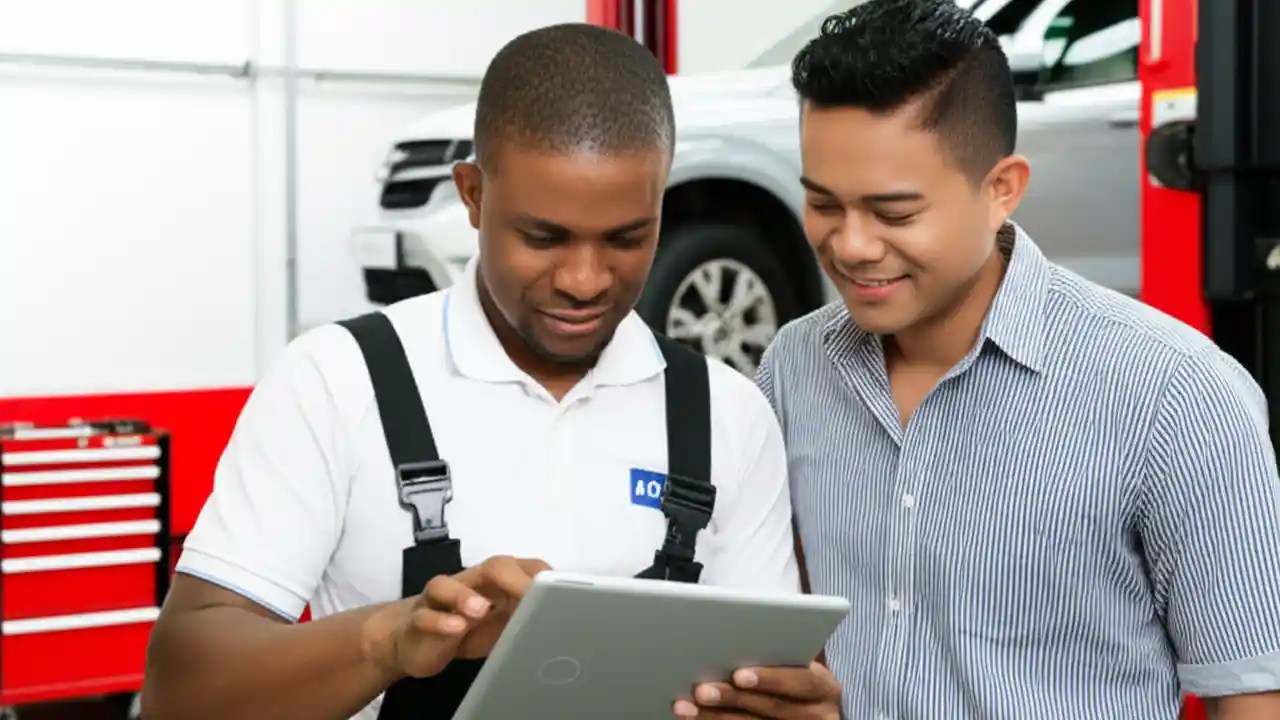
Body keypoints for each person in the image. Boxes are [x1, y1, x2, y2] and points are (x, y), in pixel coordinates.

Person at [141, 22, 842, 720]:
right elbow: (182, 692)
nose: (584, 280)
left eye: (626, 238)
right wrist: (391, 639)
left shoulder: (727, 413)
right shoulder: (336, 381)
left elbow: (766, 680)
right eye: (543, 237)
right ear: (472, 195)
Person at [753, 1, 1280, 718]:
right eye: (824, 204)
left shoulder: (1175, 396)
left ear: (1002, 188)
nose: (851, 245)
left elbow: (1250, 693)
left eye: (895, 214)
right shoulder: (796, 368)